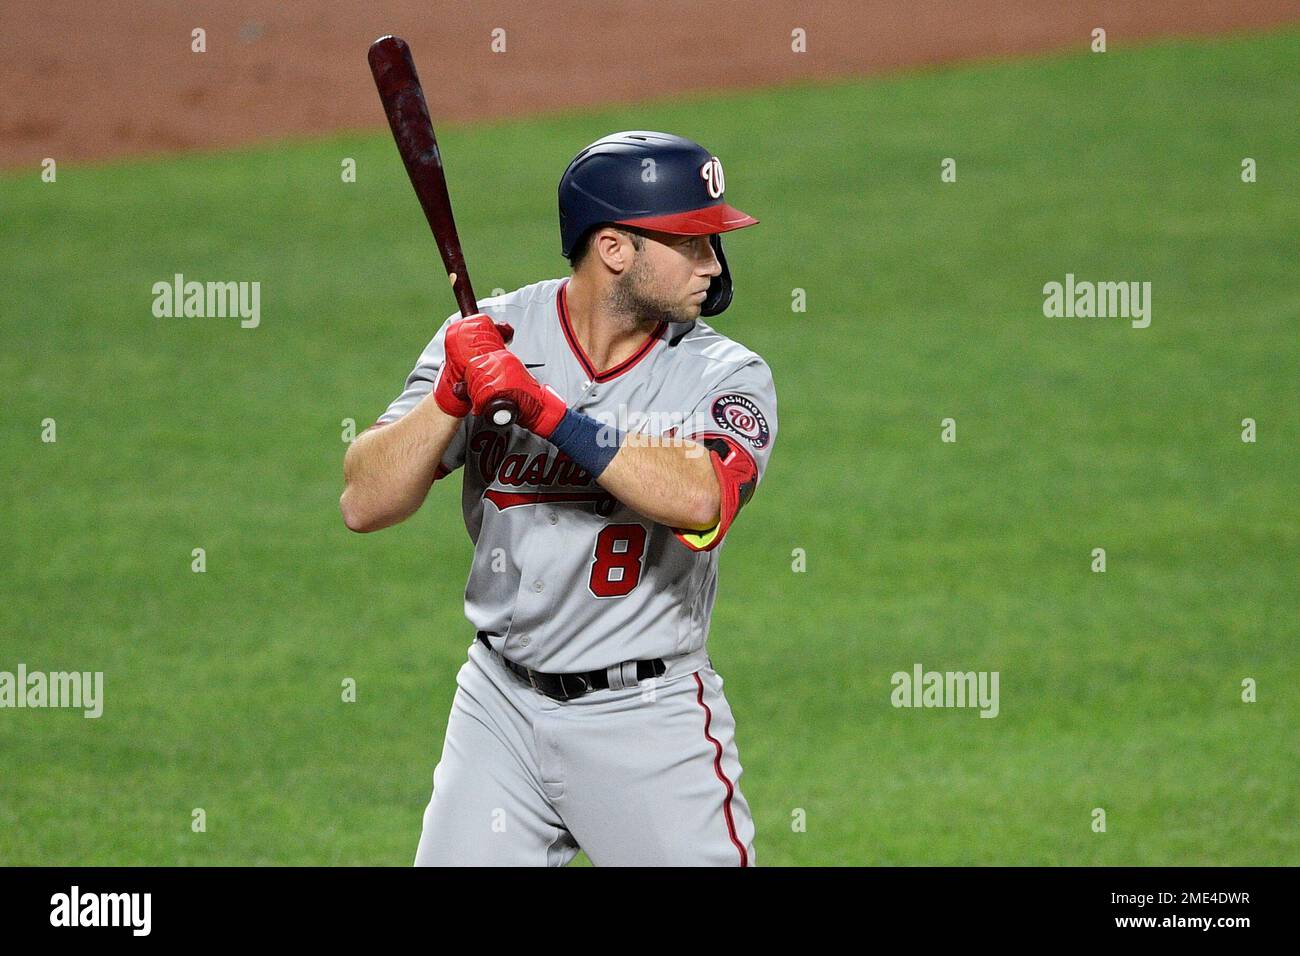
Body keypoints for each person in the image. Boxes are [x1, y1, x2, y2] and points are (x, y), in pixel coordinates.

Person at [340, 131, 777, 866]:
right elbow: (364, 501)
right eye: (692, 241)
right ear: (613, 249)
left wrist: (547, 412)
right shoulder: (489, 336)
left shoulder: (723, 373)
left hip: (646, 720)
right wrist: (451, 394)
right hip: (499, 708)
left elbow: (701, 501)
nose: (714, 264)